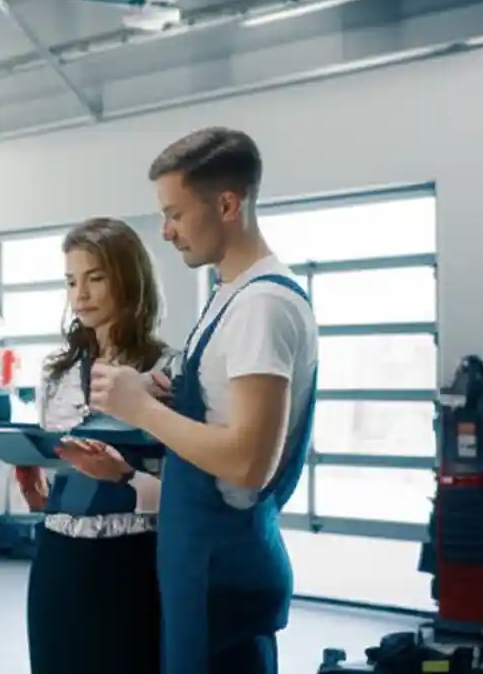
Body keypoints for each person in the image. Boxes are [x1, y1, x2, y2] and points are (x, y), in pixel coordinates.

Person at [82, 127, 320, 674]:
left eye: (176, 214)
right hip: (202, 565)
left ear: (228, 204)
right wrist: (161, 397)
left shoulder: (261, 306)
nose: (165, 232)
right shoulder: (229, 296)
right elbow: (221, 417)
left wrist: (140, 409)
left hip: (224, 571)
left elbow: (247, 461)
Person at [14, 216, 177, 674]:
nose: (80, 294)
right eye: (71, 281)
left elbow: (185, 473)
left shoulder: (168, 368)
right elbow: (60, 459)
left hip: (132, 557)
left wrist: (125, 476)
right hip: (58, 553)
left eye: (95, 278)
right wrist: (36, 483)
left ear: (128, 280)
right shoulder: (56, 372)